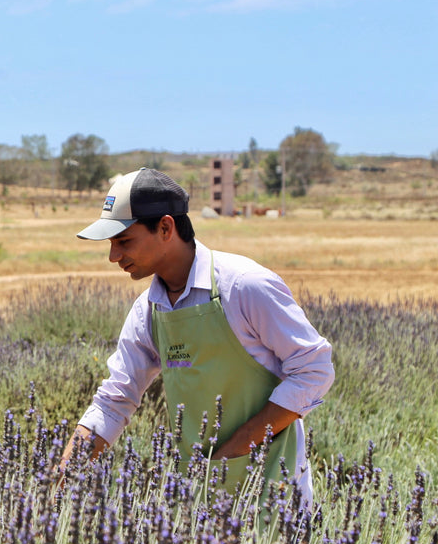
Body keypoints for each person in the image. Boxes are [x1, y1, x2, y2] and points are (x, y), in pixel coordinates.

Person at [62, 168, 334, 507]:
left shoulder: (244, 286)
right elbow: (114, 400)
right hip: (196, 501)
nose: (113, 256)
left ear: (165, 227)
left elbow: (315, 368)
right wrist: (60, 482)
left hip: (273, 496)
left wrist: (237, 448)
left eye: (124, 241)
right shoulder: (149, 310)